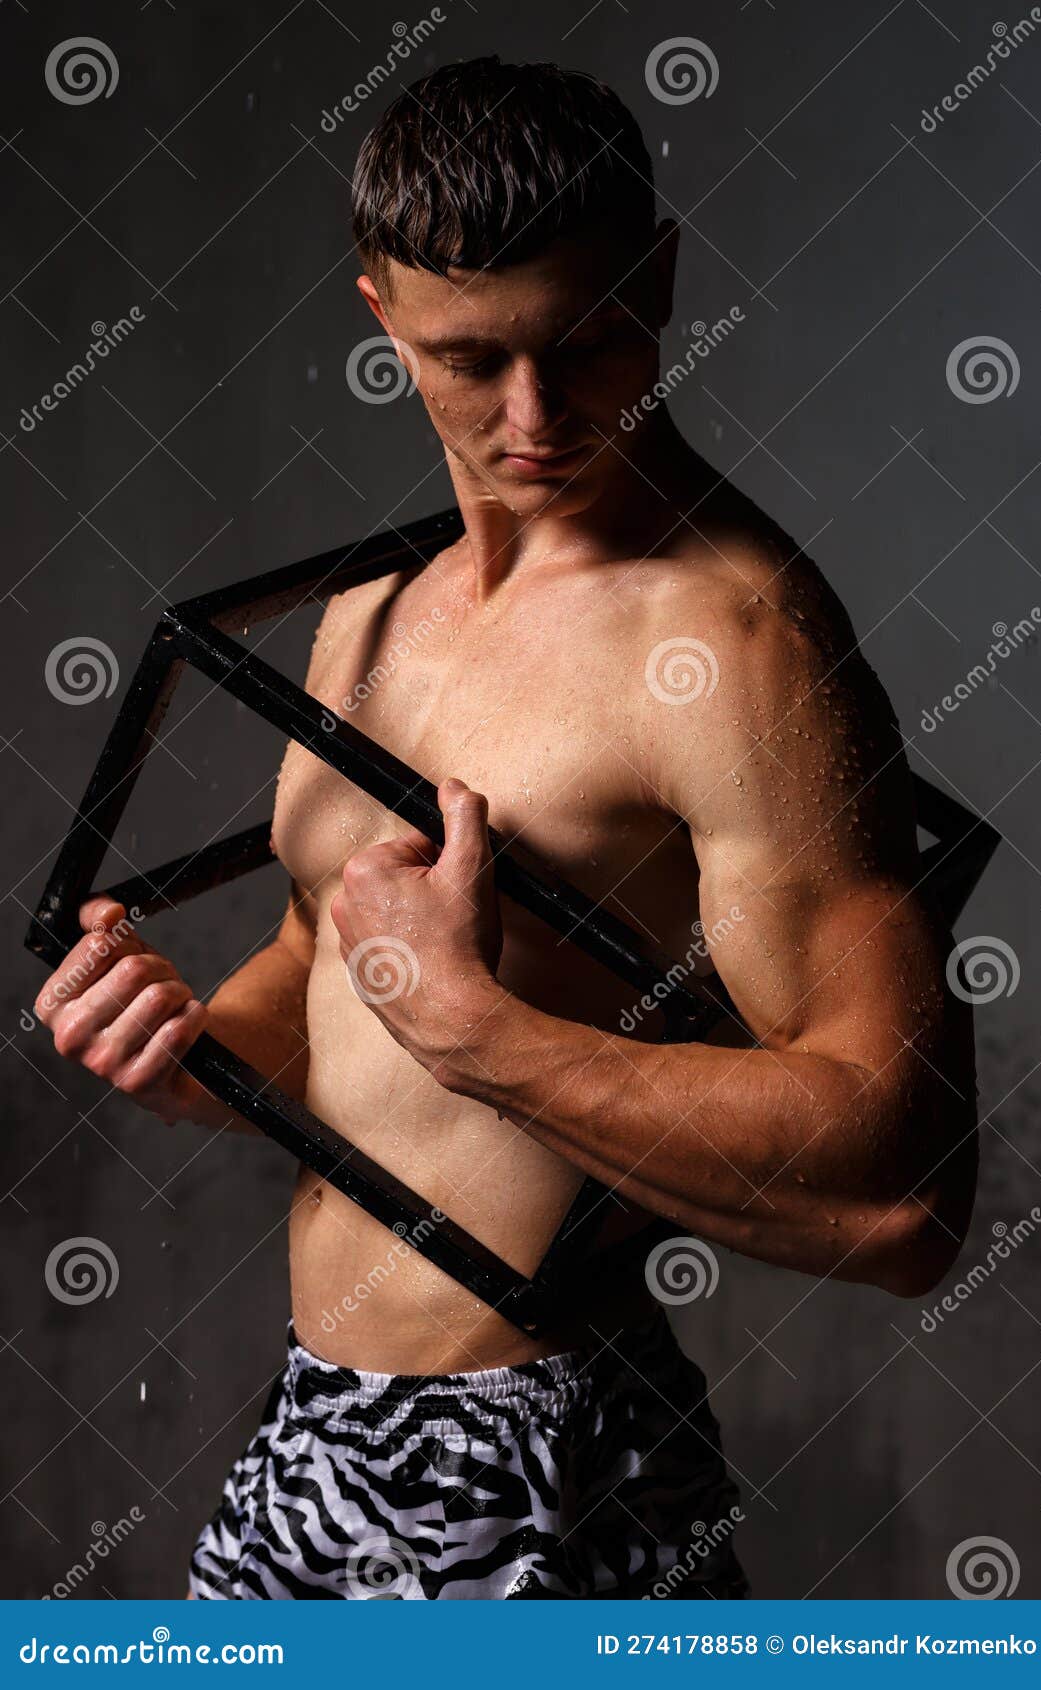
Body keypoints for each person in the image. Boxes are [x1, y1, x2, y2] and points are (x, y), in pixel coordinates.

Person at [34, 56, 977, 1600]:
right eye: (471, 359)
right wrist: (185, 1043)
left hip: (536, 1461)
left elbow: (899, 1174)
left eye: (587, 338)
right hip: (318, 1432)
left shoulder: (732, 641)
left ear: (660, 279)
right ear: (379, 316)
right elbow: (326, 996)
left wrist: (473, 1024)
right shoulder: (364, 611)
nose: (534, 415)